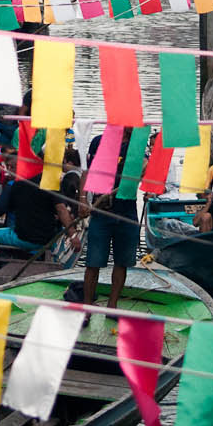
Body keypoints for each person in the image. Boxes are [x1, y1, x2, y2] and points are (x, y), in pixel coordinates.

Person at [83, 128, 142, 311]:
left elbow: (145, 170)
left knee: (122, 261)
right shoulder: (99, 142)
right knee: (93, 261)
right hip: (101, 211)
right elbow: (87, 171)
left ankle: (112, 305)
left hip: (127, 211)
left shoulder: (136, 146)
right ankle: (87, 306)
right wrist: (82, 199)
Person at [0, 170, 74, 252]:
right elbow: (61, 210)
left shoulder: (16, 184)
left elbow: (0, 209)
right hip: (47, 239)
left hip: (25, 238)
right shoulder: (52, 182)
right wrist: (73, 236)